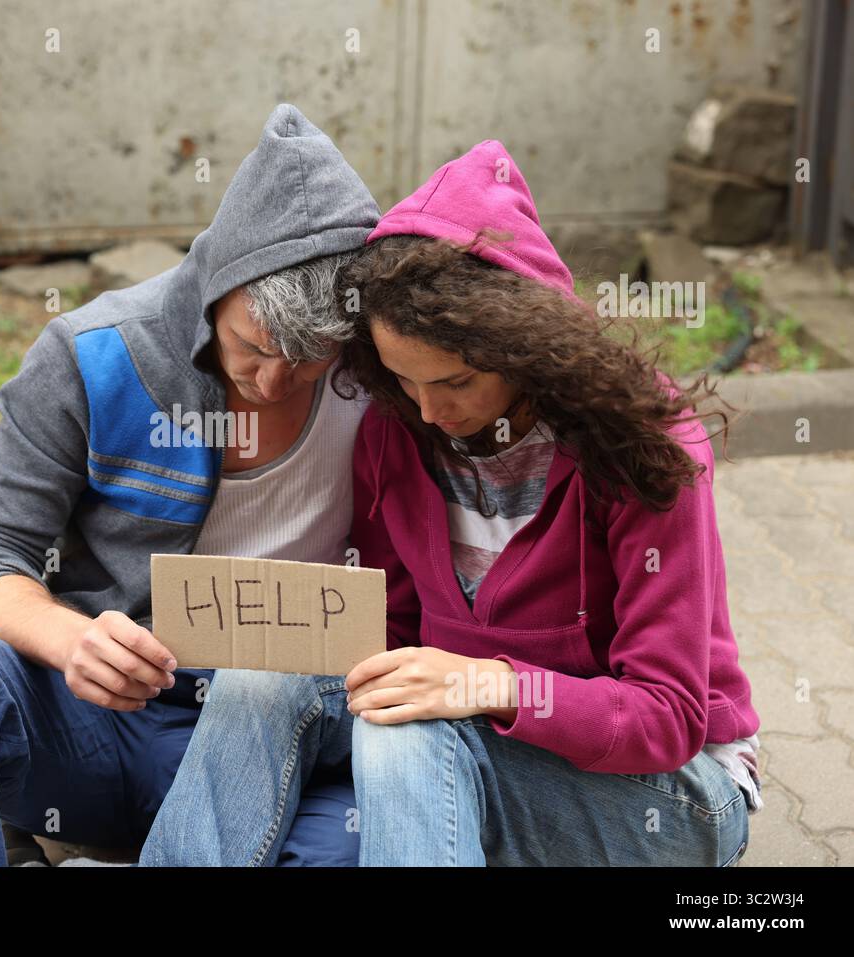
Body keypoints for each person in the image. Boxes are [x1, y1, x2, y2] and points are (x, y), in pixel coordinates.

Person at [139, 140, 761, 867]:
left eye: (458, 381)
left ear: (527, 346)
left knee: (403, 731)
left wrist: (487, 682)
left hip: (670, 790)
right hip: (475, 731)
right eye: (405, 380)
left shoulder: (645, 448)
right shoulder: (395, 431)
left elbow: (669, 716)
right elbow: (391, 627)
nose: (430, 411)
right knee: (267, 673)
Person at [0, 104, 378, 866]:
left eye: (306, 361)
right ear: (216, 278)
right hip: (93, 710)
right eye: (252, 347)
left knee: (358, 841)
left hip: (266, 737)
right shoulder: (93, 355)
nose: (272, 380)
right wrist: (72, 640)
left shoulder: (384, 381)